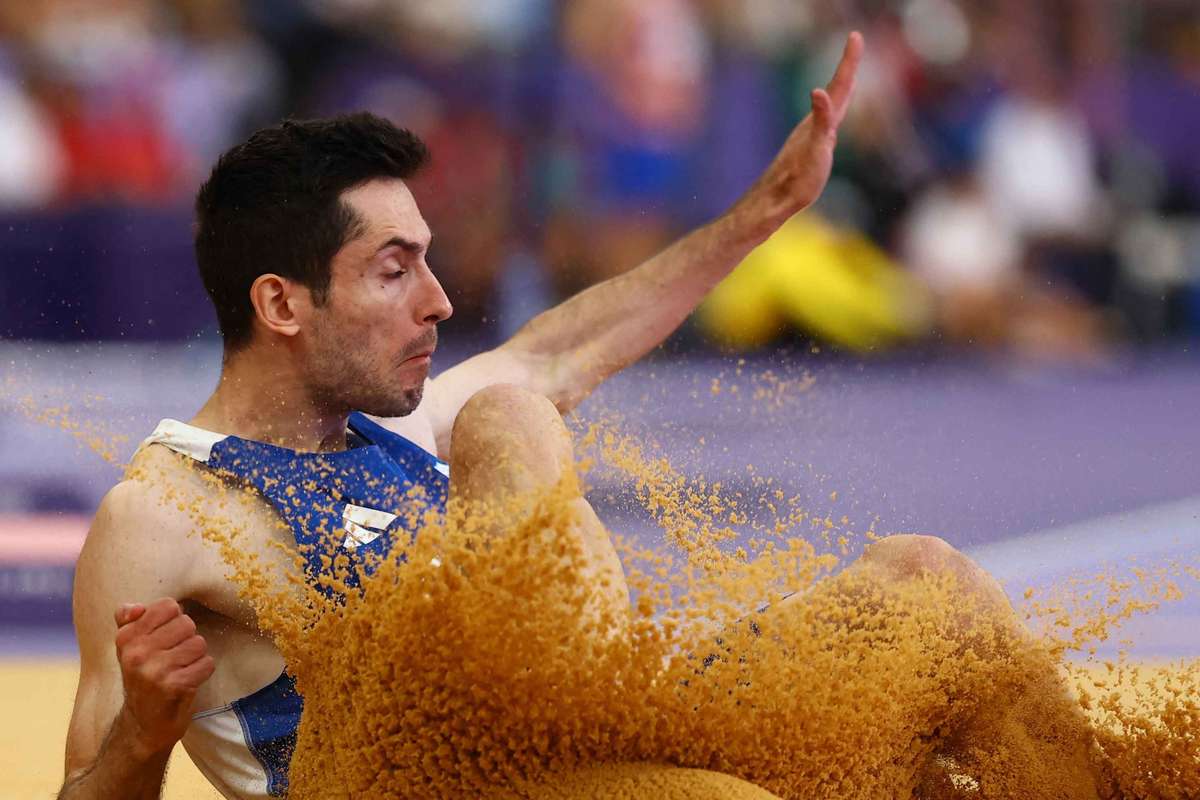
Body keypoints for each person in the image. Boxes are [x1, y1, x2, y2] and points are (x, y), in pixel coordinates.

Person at [55, 32, 1096, 799]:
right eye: (392, 269)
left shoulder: (395, 428)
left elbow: (567, 344)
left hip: (576, 750)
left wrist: (763, 214)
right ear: (282, 303)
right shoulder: (161, 514)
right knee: (510, 416)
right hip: (414, 783)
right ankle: (617, 710)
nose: (439, 301)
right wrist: (143, 736)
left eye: (427, 261)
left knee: (926, 585)